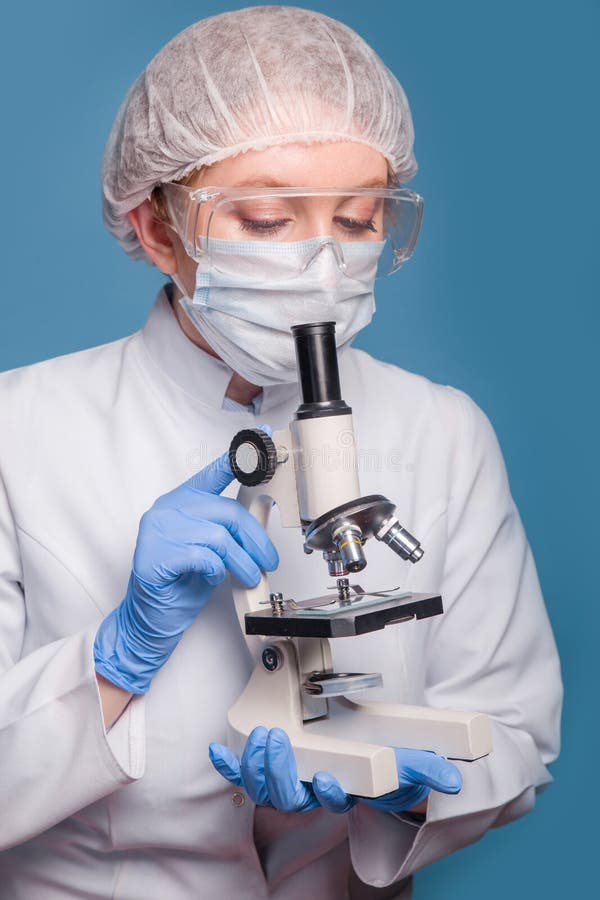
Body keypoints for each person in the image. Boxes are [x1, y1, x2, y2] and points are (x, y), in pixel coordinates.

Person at [0, 6, 561, 899]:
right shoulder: (16, 429)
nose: (320, 266)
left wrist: (409, 794)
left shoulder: (443, 429)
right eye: (265, 220)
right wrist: (115, 659)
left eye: (357, 217)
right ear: (156, 229)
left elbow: (515, 732)